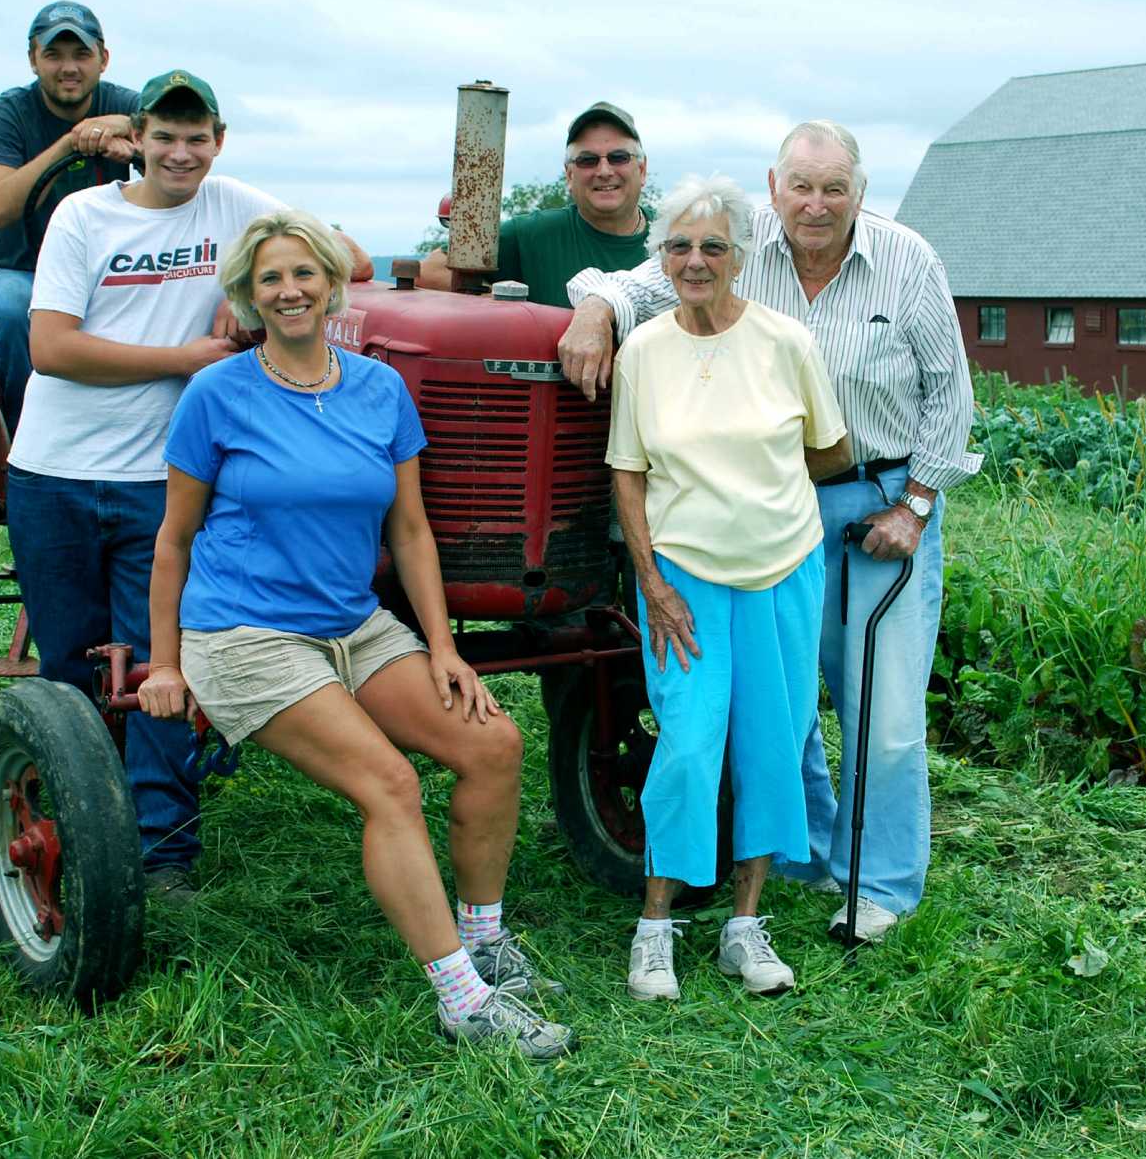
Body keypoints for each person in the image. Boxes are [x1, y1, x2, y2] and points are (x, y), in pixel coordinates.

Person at [139, 211, 575, 1058]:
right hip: (244, 631)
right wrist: (164, 662)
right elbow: (174, 539)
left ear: (333, 285)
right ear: (247, 295)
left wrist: (442, 647)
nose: (289, 290)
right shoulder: (218, 394)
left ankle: (485, 939)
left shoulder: (379, 389)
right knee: (388, 784)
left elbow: (410, 530)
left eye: (303, 273)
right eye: (270, 279)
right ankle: (463, 1001)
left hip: (353, 624)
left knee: (494, 745)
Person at [563, 122, 981, 943]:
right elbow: (642, 279)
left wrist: (917, 502)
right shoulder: (739, 243)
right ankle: (814, 850)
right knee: (786, 700)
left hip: (880, 493)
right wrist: (593, 310)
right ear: (775, 186)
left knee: (882, 704)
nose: (816, 203)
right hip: (775, 504)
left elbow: (950, 391)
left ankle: (881, 884)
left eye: (834, 187)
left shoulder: (908, 261)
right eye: (801, 185)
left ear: (860, 189)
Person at [8, 69, 284, 900]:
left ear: (218, 142)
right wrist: (181, 358)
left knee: (162, 664)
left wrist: (246, 300)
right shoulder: (83, 217)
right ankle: (79, 821)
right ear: (139, 140)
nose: (181, 152)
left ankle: (162, 851)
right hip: (53, 470)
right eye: (165, 136)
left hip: (158, 481)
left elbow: (338, 254)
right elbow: (53, 347)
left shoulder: (232, 205)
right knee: (70, 663)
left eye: (197, 137)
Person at [607, 175, 851, 1001]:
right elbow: (629, 475)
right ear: (661, 256)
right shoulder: (643, 349)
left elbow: (830, 453)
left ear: (741, 256)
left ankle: (744, 927)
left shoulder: (787, 342)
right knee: (686, 744)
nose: (695, 260)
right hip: (682, 579)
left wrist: (764, 501)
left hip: (784, 569)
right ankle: (654, 930)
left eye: (713, 245)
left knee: (773, 743)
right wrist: (653, 581)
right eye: (679, 245)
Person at [0, 2, 142, 435]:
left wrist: (131, 134)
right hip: (19, 270)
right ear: (33, 60)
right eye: (54, 55)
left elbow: (184, 145)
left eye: (81, 55)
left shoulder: (129, 106)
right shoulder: (3, 114)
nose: (69, 68)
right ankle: (26, 434)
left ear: (103, 58)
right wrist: (71, 144)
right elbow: (0, 206)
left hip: (109, 272)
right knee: (10, 309)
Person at [417, 102, 652, 306]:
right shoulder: (532, 235)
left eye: (618, 157)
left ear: (642, 170)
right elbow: (429, 271)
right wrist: (500, 302)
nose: (604, 171)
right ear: (569, 176)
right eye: (587, 160)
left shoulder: (673, 238)